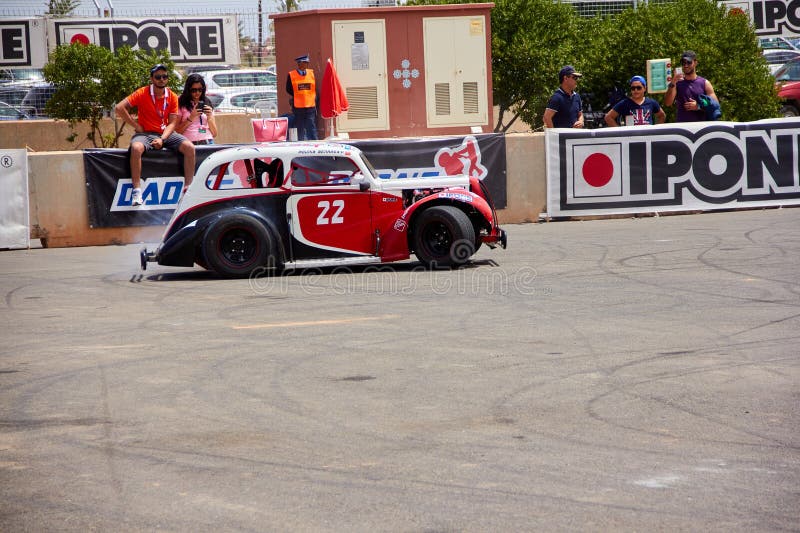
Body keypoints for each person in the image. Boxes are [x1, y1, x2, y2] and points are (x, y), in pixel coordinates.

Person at [115, 64, 196, 206]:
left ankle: (188, 189)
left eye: (164, 76)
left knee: (189, 147)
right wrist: (136, 125)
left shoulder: (172, 96)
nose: (162, 79)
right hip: (146, 133)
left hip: (165, 133)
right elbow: (119, 108)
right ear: (152, 79)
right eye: (158, 77)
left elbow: (172, 123)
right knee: (136, 148)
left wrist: (162, 139)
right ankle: (137, 191)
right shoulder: (142, 92)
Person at [664, 50, 719, 122]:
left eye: (689, 62)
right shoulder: (677, 83)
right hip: (682, 126)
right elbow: (668, 103)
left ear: (695, 63)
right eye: (683, 63)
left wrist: (698, 106)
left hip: (701, 126)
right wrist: (673, 81)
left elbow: (715, 106)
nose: (686, 65)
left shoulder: (705, 83)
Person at [175, 73, 218, 145]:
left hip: (207, 141)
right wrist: (191, 117)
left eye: (200, 90)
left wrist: (210, 117)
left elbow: (214, 134)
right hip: (189, 143)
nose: (197, 93)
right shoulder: (181, 102)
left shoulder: (207, 102)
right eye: (194, 90)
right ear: (188, 89)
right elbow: (176, 132)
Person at [285, 53, 317, 140]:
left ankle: (314, 143)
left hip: (310, 105)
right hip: (298, 106)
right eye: (305, 62)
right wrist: (298, 94)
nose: (307, 64)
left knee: (311, 126)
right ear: (299, 64)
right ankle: (301, 143)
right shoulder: (292, 74)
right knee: (300, 127)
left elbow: (313, 87)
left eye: (307, 63)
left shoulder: (311, 73)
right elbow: (288, 89)